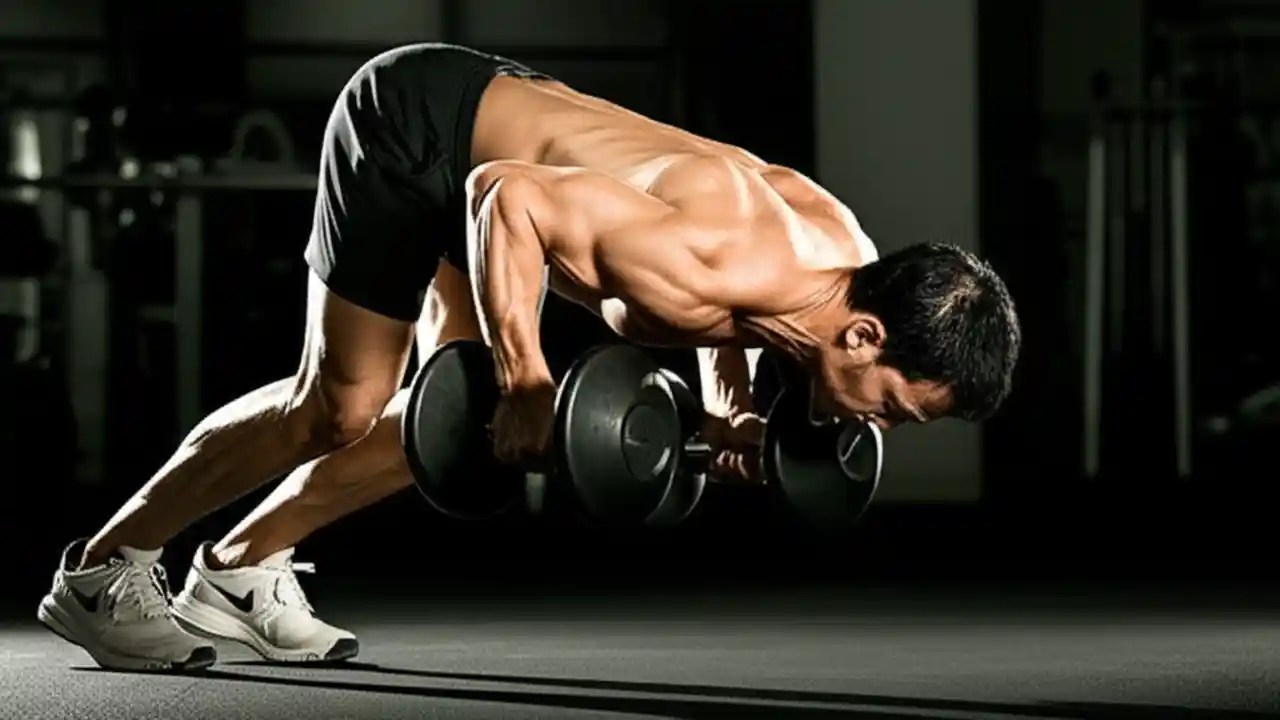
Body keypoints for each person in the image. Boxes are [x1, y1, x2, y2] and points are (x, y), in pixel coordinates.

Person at [38, 43, 1020, 671]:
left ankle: (239, 571)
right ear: (864, 337)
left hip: (498, 125)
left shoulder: (839, 256)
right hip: (417, 131)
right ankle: (100, 572)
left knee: (442, 418)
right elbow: (507, 197)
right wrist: (525, 376)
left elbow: (743, 319)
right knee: (340, 403)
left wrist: (730, 409)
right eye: (891, 407)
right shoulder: (705, 258)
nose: (873, 427)